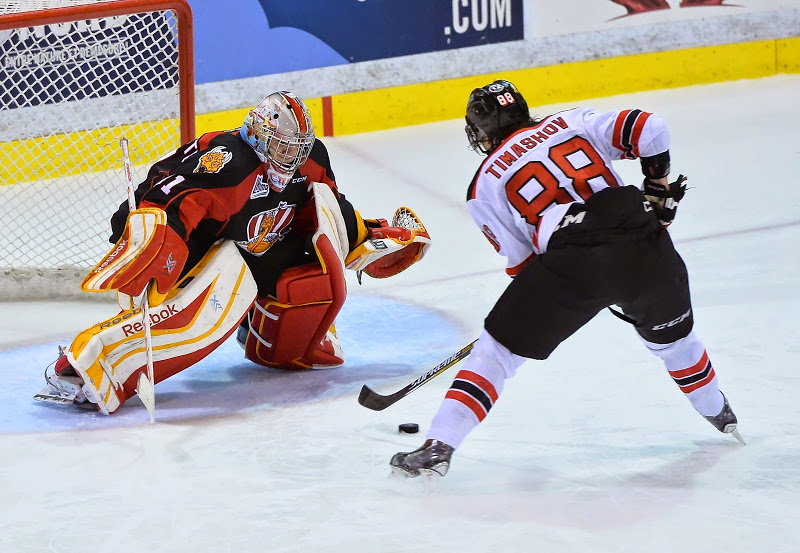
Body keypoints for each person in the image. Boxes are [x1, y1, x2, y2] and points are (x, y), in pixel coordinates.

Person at [390, 80, 743, 478]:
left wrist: (536, 311)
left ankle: (439, 445)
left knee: (496, 353)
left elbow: (524, 265)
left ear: (482, 133)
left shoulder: (484, 183)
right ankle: (720, 412)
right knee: (677, 343)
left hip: (574, 256)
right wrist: (656, 187)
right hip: (645, 240)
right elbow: (650, 127)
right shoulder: (572, 122)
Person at [35, 91, 431, 415]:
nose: (290, 158)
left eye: (296, 148)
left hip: (255, 247)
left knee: (313, 277)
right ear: (258, 135)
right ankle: (82, 367)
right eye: (280, 145)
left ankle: (271, 336)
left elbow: (326, 207)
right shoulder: (229, 161)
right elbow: (169, 200)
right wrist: (158, 245)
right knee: (200, 321)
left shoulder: (310, 160)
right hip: (197, 249)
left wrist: (369, 237)